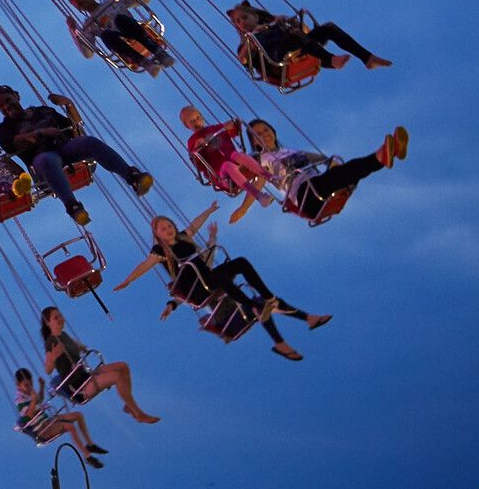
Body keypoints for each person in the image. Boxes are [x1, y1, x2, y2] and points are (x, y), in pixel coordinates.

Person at [116, 209, 330, 360]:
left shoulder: (183, 239)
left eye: (170, 225)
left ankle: (277, 306)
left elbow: (194, 227)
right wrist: (128, 280)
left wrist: (209, 216)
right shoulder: (161, 252)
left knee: (240, 263)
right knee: (232, 288)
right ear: (157, 235)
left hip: (208, 279)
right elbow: (145, 266)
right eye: (163, 229)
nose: (169, 229)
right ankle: (268, 313)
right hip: (198, 289)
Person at [0, 86, 154, 226]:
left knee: (89, 142)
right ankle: (72, 206)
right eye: (1, 106)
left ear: (16, 96)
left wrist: (69, 105)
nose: (6, 106)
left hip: (64, 147)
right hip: (41, 159)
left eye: (8, 100)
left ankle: (132, 176)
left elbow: (75, 128)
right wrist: (40, 133)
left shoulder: (43, 111)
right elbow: (14, 143)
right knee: (46, 160)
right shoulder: (4, 129)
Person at [244, 118, 408, 221]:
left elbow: (322, 158)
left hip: (318, 187)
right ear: (255, 142)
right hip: (305, 196)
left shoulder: (290, 151)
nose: (264, 134)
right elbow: (258, 184)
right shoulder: (262, 161)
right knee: (340, 175)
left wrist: (331, 161)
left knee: (344, 170)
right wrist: (243, 209)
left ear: (273, 131)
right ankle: (382, 155)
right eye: (258, 134)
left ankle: (390, 151)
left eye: (266, 129)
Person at [40, 306, 158, 424]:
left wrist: (80, 347)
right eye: (56, 318)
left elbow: (73, 347)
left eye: (60, 315)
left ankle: (128, 405)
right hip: (78, 387)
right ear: (48, 323)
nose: (60, 319)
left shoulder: (64, 335)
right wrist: (53, 358)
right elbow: (47, 370)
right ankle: (138, 414)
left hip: (86, 375)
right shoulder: (51, 342)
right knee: (117, 376)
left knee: (122, 366)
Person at [228, 1, 392, 82]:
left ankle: (367, 58)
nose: (242, 22)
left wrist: (287, 21)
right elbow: (242, 60)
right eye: (238, 21)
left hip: (298, 46)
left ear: (255, 16)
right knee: (295, 36)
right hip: (279, 61)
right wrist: (250, 44)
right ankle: (331, 60)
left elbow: (302, 29)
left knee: (328, 28)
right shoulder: (248, 41)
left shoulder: (273, 24)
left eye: (245, 17)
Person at [180, 105, 277, 220]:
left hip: (238, 165)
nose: (196, 121)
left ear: (201, 116)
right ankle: (259, 195)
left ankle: (271, 177)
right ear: (187, 126)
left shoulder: (216, 128)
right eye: (192, 121)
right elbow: (198, 165)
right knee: (227, 165)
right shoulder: (192, 141)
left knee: (236, 155)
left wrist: (234, 124)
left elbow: (235, 130)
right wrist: (197, 148)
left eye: (197, 117)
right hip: (222, 177)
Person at [65, 0, 173, 71]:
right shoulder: (88, 25)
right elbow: (88, 54)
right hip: (118, 43)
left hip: (132, 30)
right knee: (106, 35)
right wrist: (73, 30)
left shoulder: (112, 1)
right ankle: (143, 62)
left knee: (120, 20)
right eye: (71, 0)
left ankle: (158, 52)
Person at [13, 368, 103, 462]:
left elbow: (39, 399)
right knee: (70, 427)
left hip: (47, 421)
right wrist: (34, 400)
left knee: (78, 415)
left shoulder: (28, 393)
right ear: (18, 385)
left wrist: (41, 387)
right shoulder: (20, 400)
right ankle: (87, 456)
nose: (30, 387)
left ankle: (90, 445)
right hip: (42, 429)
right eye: (26, 385)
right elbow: (30, 415)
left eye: (31, 384)